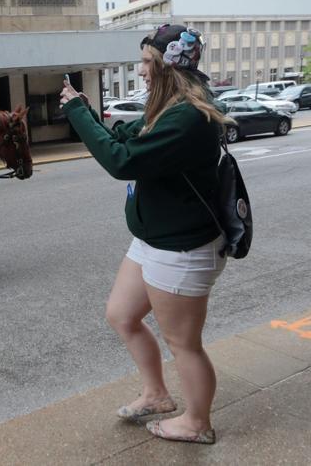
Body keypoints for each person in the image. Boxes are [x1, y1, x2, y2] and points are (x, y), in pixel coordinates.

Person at [60, 24, 234, 445]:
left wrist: (77, 112)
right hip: (154, 239)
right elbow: (135, 137)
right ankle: (156, 394)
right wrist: (97, 115)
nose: (139, 71)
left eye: (144, 62)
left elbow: (122, 161)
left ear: (166, 65)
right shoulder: (172, 108)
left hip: (182, 247)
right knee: (121, 315)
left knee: (184, 343)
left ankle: (197, 422)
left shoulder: (190, 117)